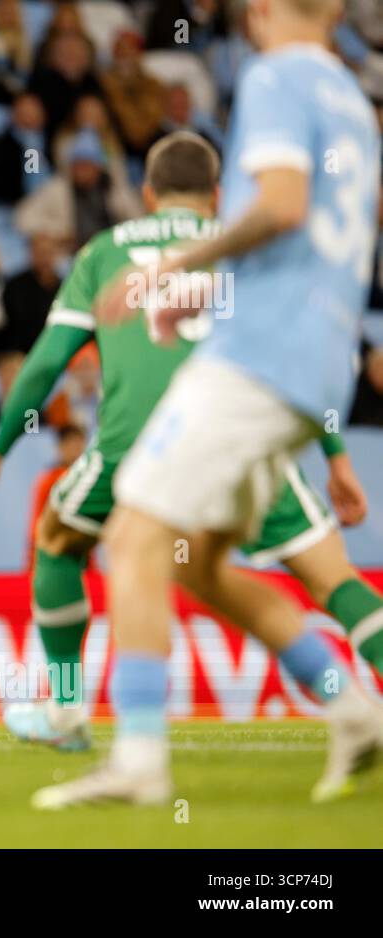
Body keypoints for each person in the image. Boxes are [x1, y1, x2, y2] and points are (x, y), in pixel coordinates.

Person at [0, 133, 383, 774]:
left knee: (60, 540)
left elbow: (48, 361)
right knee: (331, 581)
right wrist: (336, 455)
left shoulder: (105, 250)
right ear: (216, 195)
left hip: (138, 441)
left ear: (149, 195)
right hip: (244, 433)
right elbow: (298, 347)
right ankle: (346, 704)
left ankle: (73, 714)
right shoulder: (246, 245)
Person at [50, 0, 383, 807]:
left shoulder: (275, 75)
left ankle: (137, 759)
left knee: (131, 539)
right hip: (319, 362)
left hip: (257, 362)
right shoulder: (351, 98)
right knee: (197, 562)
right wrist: (207, 287)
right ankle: (353, 707)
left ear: (261, 11)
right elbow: (303, 247)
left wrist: (170, 269)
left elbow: (279, 207)